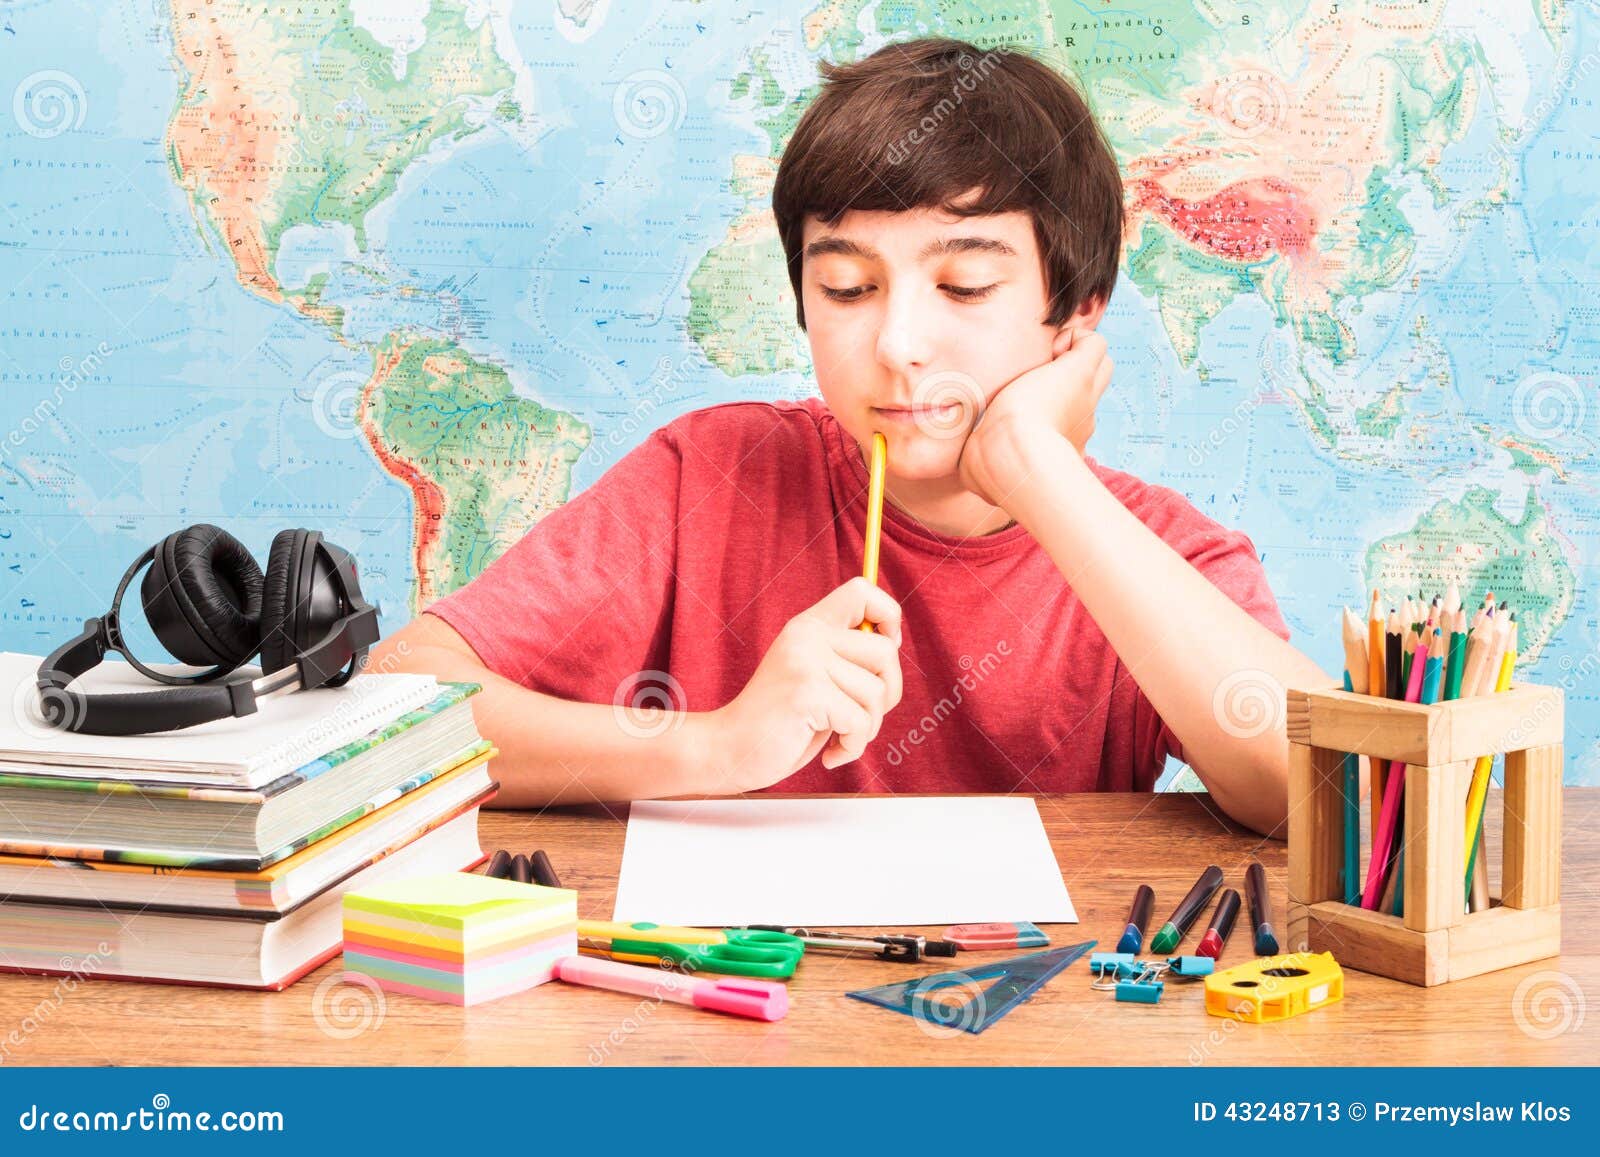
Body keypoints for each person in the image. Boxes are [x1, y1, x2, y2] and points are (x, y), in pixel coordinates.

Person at [371, 38, 1330, 835]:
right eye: (847, 288)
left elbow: (1317, 796)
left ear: (1076, 316)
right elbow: (398, 702)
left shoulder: (1148, 548)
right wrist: (717, 743)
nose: (899, 345)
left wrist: (1038, 469)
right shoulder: (709, 473)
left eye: (963, 287)